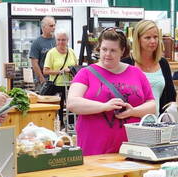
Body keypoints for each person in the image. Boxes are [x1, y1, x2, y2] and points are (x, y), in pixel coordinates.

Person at [66, 27, 157, 156]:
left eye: (113, 50)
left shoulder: (136, 72)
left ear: (122, 51)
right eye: (104, 49)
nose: (107, 54)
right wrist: (104, 106)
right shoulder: (86, 73)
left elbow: (152, 105)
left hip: (132, 148)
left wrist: (133, 111)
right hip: (95, 148)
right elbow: (72, 103)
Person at [125, 19, 176, 110]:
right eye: (147, 37)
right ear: (138, 39)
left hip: (160, 122)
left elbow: (171, 96)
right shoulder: (126, 64)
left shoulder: (163, 63)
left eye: (155, 37)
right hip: (132, 122)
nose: (153, 41)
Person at [43, 30, 78, 119]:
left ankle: (71, 128)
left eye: (63, 40)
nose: (61, 42)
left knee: (72, 110)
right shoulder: (51, 53)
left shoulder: (71, 52)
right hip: (56, 85)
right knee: (58, 112)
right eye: (58, 40)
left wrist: (71, 70)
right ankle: (59, 127)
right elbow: (46, 71)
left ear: (67, 40)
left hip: (70, 85)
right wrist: (61, 71)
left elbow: (76, 67)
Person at [29, 16, 57, 82]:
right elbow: (34, 63)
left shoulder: (58, 40)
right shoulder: (37, 42)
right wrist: (41, 78)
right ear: (43, 27)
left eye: (54, 25)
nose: (54, 28)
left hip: (57, 77)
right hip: (44, 78)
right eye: (51, 26)